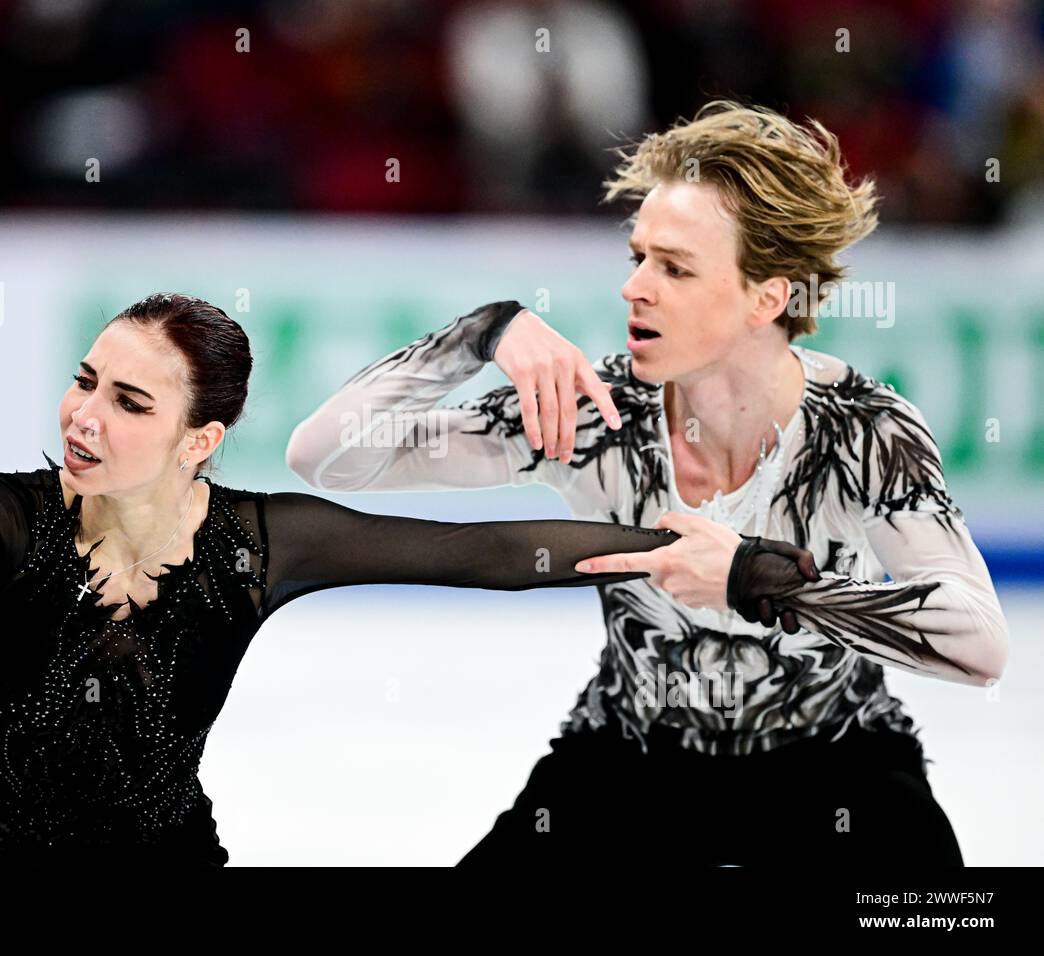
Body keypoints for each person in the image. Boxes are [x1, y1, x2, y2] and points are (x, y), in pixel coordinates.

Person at [0, 292, 816, 868]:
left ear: (198, 440)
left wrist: (697, 557)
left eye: (126, 400)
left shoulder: (259, 542)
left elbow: (482, 552)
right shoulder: (9, 512)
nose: (83, 415)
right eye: (86, 379)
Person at [285, 100, 1010, 866]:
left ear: (767, 297)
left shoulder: (860, 428)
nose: (635, 287)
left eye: (675, 268)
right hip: (629, 759)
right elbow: (326, 454)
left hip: (838, 764)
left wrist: (763, 584)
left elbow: (983, 642)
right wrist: (478, 334)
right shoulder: (597, 416)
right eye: (637, 257)